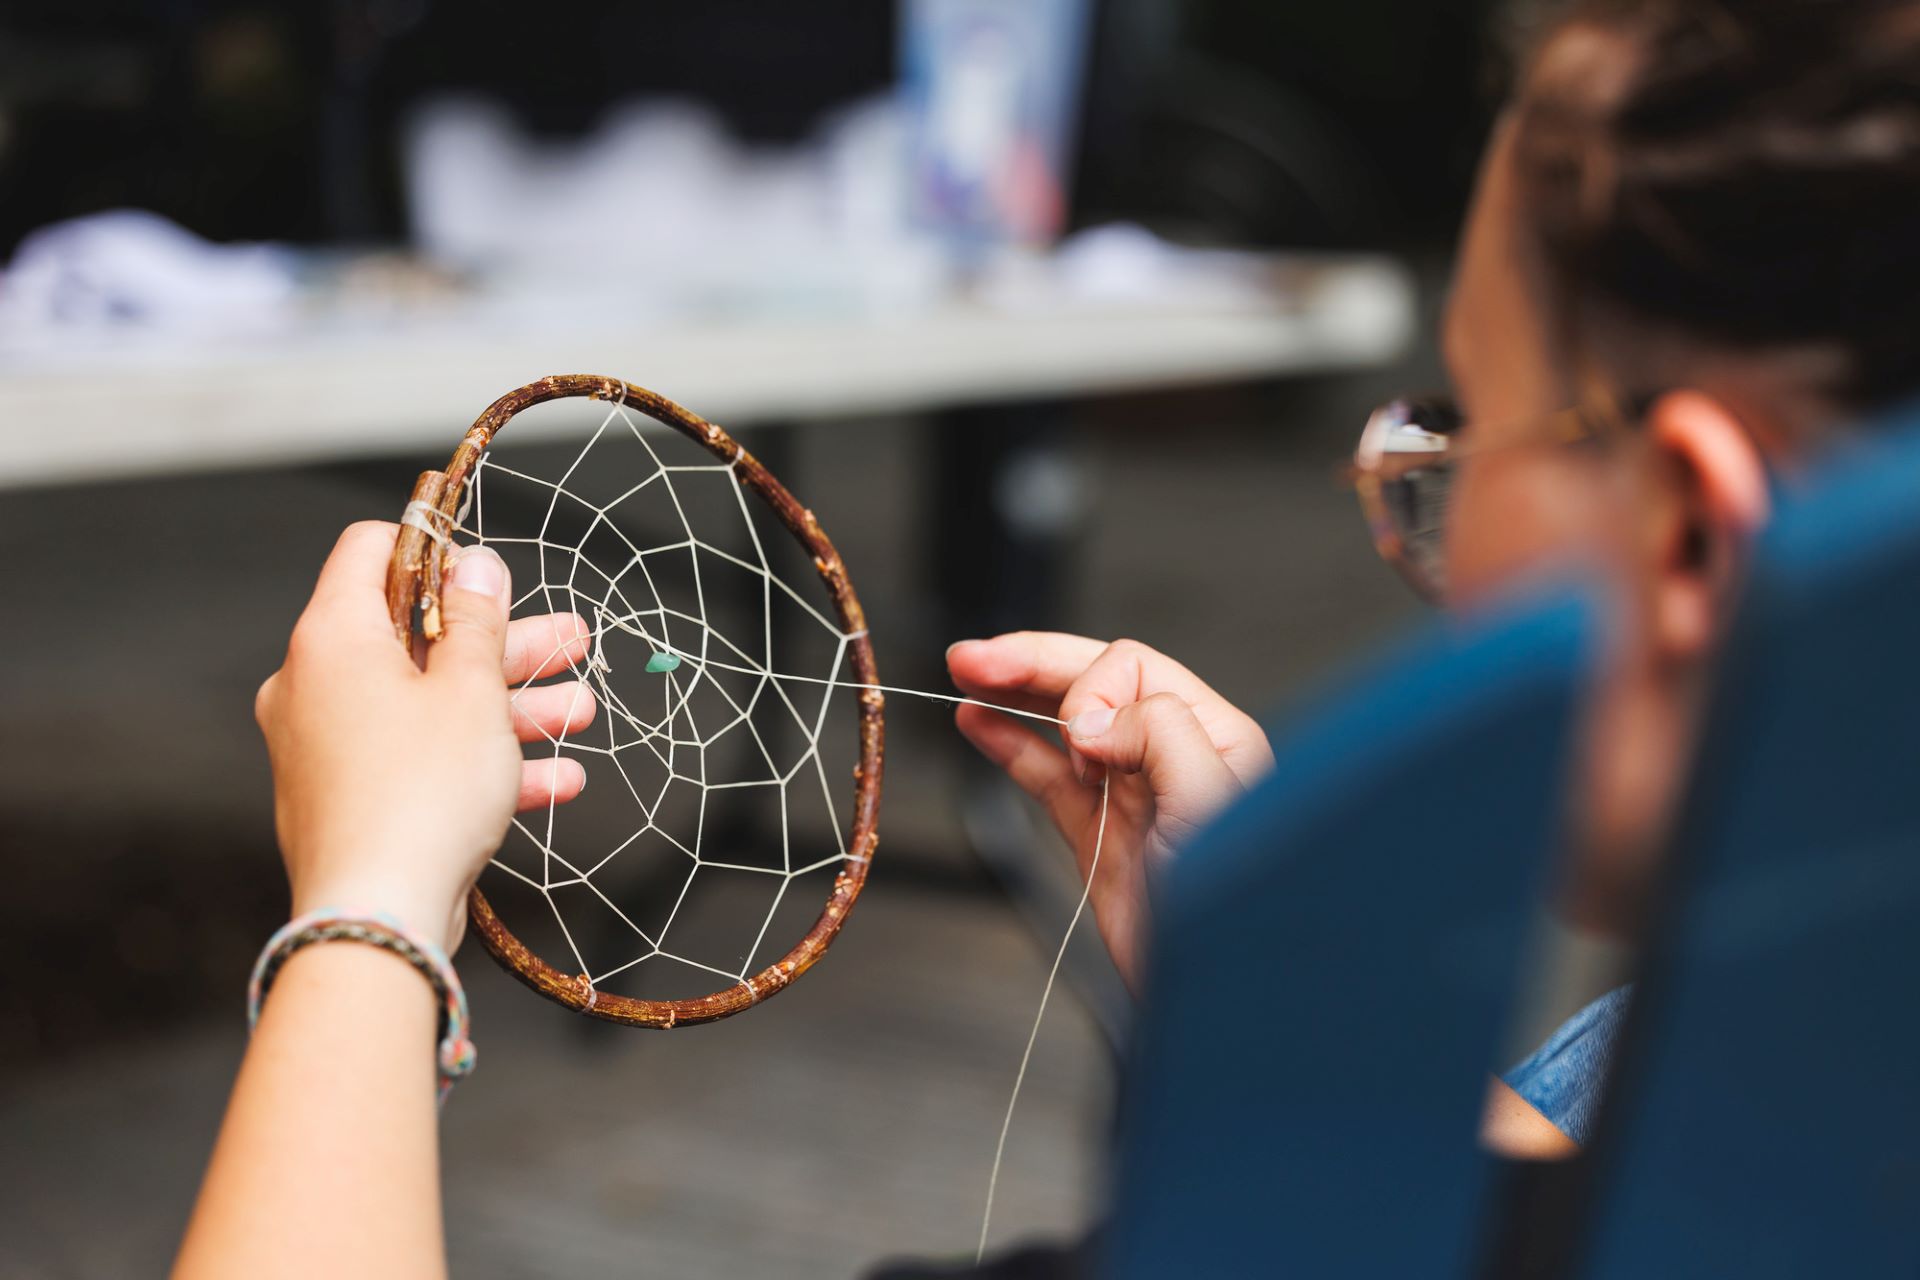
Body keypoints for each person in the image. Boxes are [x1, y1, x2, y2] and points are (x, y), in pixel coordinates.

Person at [174, 0, 1920, 1274]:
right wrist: (1292, 1006)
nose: (1401, 504)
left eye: (1464, 438)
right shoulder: (1766, 1059)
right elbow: (1513, 1186)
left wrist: (367, 911)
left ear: (1692, 535)